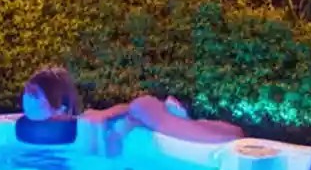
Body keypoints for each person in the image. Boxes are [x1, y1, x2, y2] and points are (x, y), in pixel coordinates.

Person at [20, 66, 244, 155]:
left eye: (34, 94)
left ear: (59, 106)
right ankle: (166, 114)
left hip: (141, 116)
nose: (26, 99)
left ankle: (169, 115)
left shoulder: (86, 121)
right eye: (26, 92)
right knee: (135, 113)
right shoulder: (19, 128)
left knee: (138, 108)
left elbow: (123, 109)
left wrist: (110, 118)